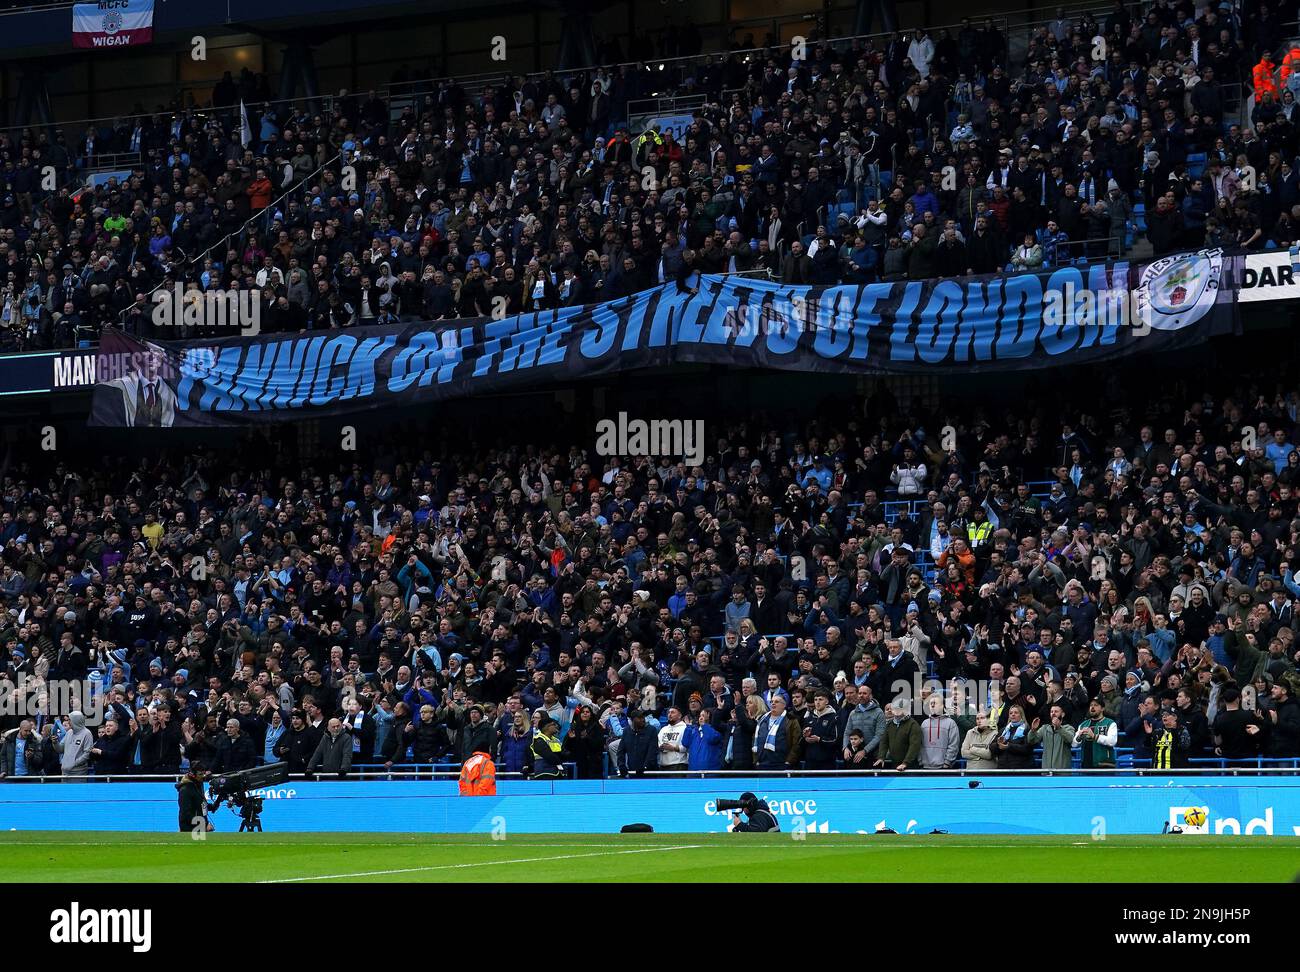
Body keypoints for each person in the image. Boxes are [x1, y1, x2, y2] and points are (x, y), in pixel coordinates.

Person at [874, 699, 921, 770]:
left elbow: (914, 746)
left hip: (910, 766)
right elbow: (884, 742)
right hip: (894, 764)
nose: (896, 710)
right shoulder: (889, 724)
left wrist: (905, 763)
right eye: (894, 708)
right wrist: (881, 757)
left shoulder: (913, 724)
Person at [1074, 699, 1118, 768]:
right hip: (1086, 765)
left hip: (1104, 765)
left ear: (1102, 708)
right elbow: (1074, 744)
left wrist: (1094, 736)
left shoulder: (1110, 723)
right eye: (1091, 705)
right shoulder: (1083, 725)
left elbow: (1112, 741)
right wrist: (1079, 737)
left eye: (1096, 705)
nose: (1092, 707)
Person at [175, 760, 215, 834]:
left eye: (203, 774)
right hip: (190, 828)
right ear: (193, 775)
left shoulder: (198, 785)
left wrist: (212, 806)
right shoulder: (185, 790)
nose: (203, 776)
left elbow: (200, 804)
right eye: (200, 774)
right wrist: (204, 824)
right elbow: (186, 813)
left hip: (198, 826)